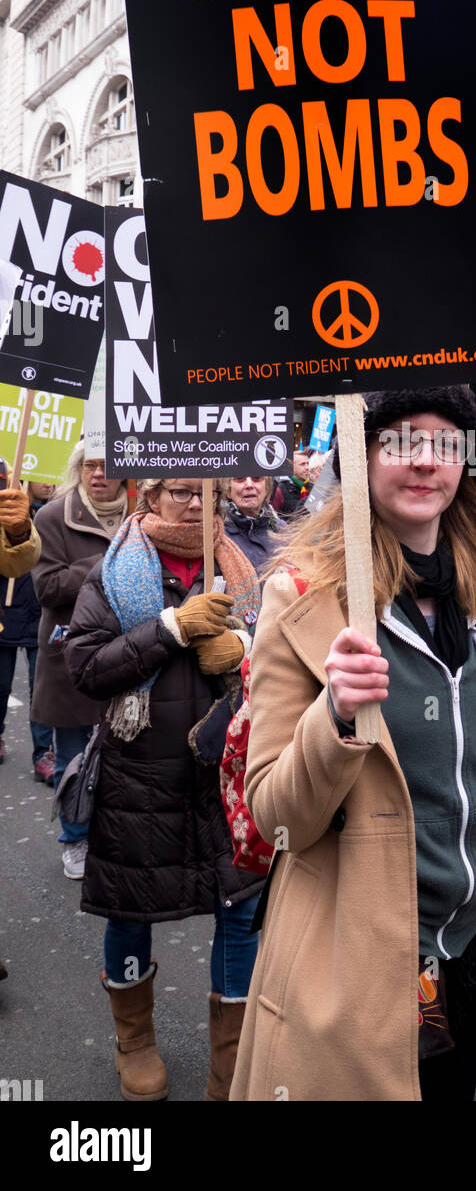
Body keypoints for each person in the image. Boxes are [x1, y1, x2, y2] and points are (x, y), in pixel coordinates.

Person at [230, 387, 476, 1102]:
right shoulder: (303, 598)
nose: (426, 461)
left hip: (475, 952)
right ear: (360, 458)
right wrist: (334, 718)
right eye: (399, 441)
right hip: (359, 962)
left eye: (447, 443)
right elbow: (276, 817)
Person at [64, 476, 264, 1102]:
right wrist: (171, 630)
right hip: (139, 780)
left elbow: (290, 656)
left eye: (207, 491)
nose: (196, 503)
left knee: (242, 910)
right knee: (130, 908)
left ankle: (232, 1062)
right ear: (149, 498)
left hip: (228, 774)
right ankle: (135, 1042)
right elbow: (88, 670)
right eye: (179, 490)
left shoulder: (249, 565)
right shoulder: (113, 572)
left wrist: (244, 650)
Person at [31, 447, 128, 880]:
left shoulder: (145, 512)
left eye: (108, 465)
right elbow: (48, 589)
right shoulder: (52, 517)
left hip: (128, 650)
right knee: (74, 756)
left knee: (126, 757)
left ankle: (111, 837)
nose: (98, 473)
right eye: (90, 464)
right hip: (70, 653)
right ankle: (74, 837)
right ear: (78, 470)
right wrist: (106, 561)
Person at [0, 474, 55, 782]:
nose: (48, 485)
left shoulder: (54, 513)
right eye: (42, 480)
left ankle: (43, 753)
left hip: (39, 615)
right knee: (1, 688)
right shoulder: (6, 509)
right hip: (5, 614)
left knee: (41, 691)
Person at [221, 476, 282, 579]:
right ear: (228, 491)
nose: (249, 485)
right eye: (239, 478)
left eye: (256, 478)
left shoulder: (283, 530)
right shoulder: (217, 535)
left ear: (266, 489)